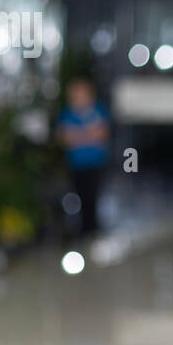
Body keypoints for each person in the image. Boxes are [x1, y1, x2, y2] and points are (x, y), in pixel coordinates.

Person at [57, 77, 110, 237]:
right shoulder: (66, 113)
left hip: (96, 164)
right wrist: (88, 134)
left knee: (93, 197)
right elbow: (65, 139)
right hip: (76, 165)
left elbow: (102, 134)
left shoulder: (99, 110)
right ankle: (82, 229)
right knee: (79, 197)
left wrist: (78, 135)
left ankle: (93, 228)